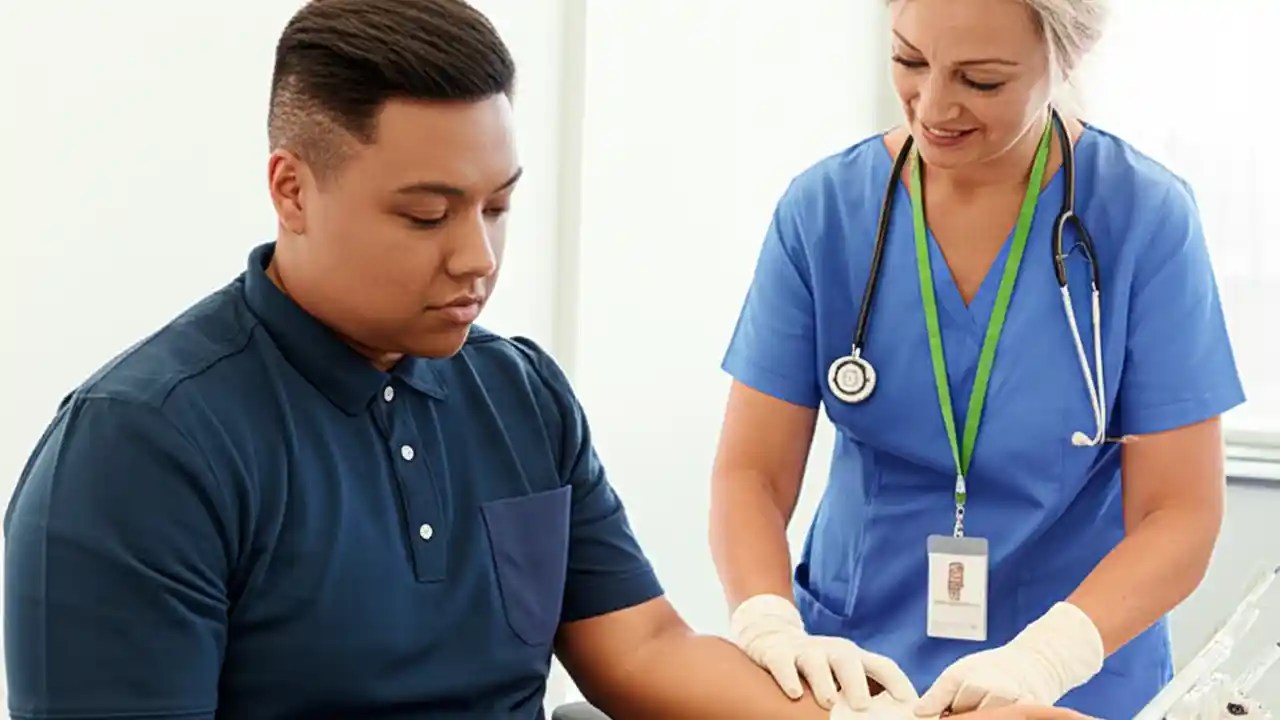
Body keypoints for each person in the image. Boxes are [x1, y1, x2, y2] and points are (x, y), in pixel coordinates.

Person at [2, 1, 1095, 719]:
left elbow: (647, 650)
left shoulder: (514, 395)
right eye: (426, 214)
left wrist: (879, 718)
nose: (475, 258)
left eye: (497, 207)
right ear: (292, 188)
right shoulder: (145, 449)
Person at [710, 0, 1245, 718]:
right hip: (855, 671)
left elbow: (1179, 511)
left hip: (1073, 677)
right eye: (909, 61)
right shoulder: (827, 212)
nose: (932, 105)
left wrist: (1047, 658)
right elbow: (752, 472)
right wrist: (769, 624)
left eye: (981, 81)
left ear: (1067, 58)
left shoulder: (1143, 220)